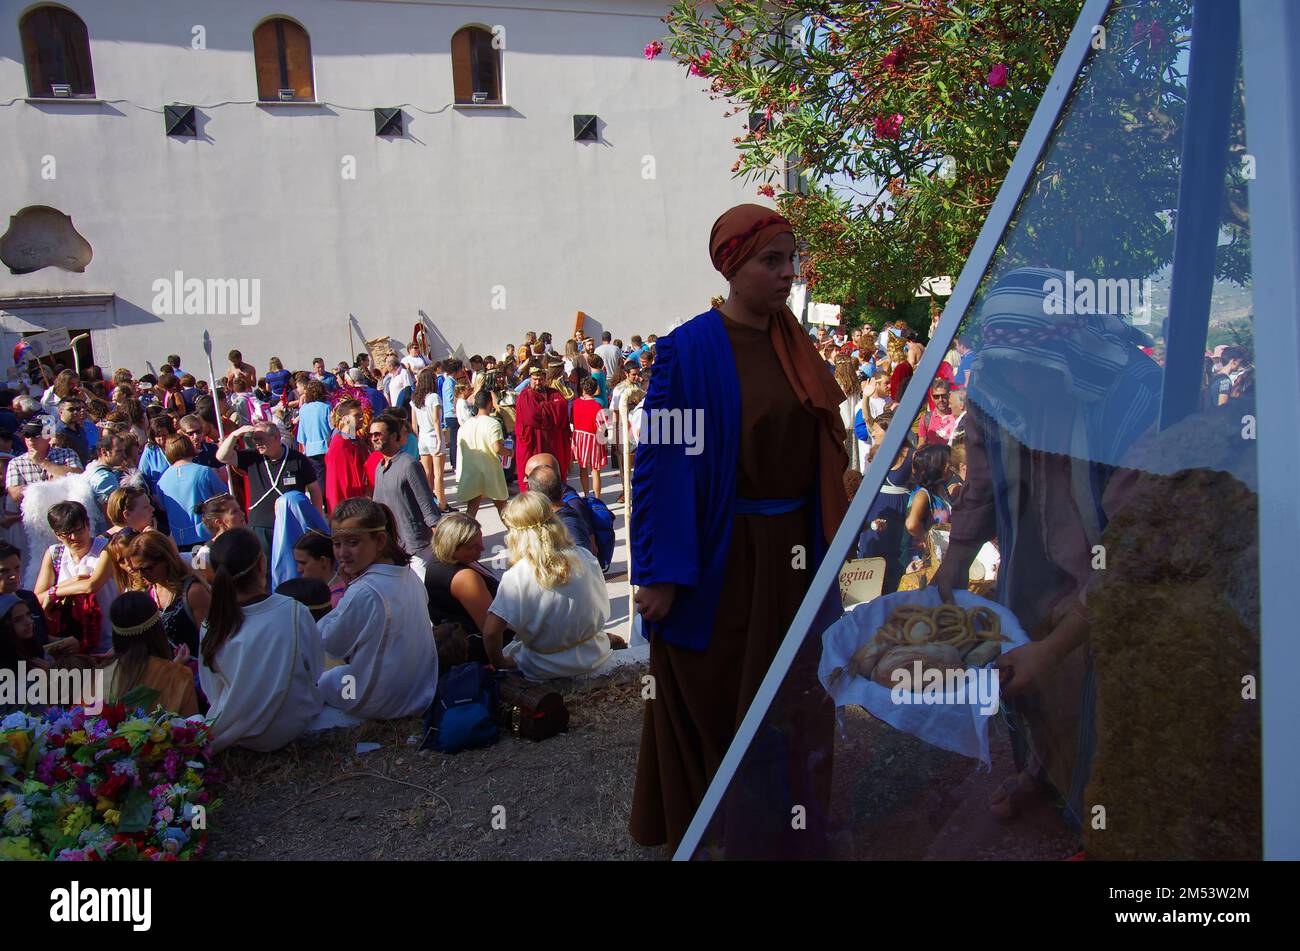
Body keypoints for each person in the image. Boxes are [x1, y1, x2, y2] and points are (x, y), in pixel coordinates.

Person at [628, 203, 848, 855]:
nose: (787, 274)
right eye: (771, 261)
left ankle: (793, 832)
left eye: (791, 259)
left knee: (800, 696)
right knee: (725, 699)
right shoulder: (688, 351)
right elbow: (662, 465)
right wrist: (663, 572)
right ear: (732, 266)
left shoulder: (794, 343)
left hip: (797, 555)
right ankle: (727, 833)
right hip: (726, 557)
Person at [199, 527, 325, 753]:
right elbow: (315, 670)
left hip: (237, 733)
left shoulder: (211, 624)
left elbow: (212, 691)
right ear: (262, 564)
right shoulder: (294, 611)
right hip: (292, 725)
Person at [317, 498, 438, 719]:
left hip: (377, 701)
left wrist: (345, 591)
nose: (343, 554)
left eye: (353, 543)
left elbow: (332, 645)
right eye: (337, 544)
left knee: (322, 676)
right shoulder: (408, 574)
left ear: (380, 540)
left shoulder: (365, 590)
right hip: (420, 692)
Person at [479, 491, 613, 680]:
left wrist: (501, 662)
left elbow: (491, 632)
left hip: (543, 666)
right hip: (595, 653)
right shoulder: (583, 555)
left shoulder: (517, 576)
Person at [217, 420, 322, 554]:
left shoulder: (298, 459)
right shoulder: (253, 457)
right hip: (261, 525)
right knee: (265, 568)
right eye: (255, 439)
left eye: (260, 439)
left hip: (291, 523)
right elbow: (222, 456)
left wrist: (317, 520)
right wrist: (234, 435)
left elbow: (314, 489)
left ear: (276, 437)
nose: (257, 443)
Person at [33, 501, 119, 654]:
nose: (73, 537)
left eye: (78, 530)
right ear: (57, 535)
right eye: (65, 534)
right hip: (70, 642)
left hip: (110, 640)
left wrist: (54, 592)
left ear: (87, 524)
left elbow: (91, 585)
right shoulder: (55, 554)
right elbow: (37, 600)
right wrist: (68, 584)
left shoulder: (107, 548)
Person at [424, 514, 506, 665]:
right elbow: (491, 629)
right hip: (481, 653)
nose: (482, 548)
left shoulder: (439, 559)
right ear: (452, 547)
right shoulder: (465, 578)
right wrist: (502, 661)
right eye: (473, 546)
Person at [100, 592, 198, 716]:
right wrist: (174, 670)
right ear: (157, 628)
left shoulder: (99, 675)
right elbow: (191, 730)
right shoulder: (181, 675)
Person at [369, 412, 441, 575]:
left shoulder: (409, 464)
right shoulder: (380, 468)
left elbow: (427, 506)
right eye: (371, 434)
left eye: (378, 434)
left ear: (394, 436)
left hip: (417, 548)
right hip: (394, 547)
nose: (373, 438)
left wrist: (442, 543)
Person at [128, 531, 209, 657]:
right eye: (136, 570)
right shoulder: (144, 593)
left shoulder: (193, 593)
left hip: (194, 673)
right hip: (162, 673)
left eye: (147, 568)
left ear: (166, 560)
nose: (141, 575)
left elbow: (211, 642)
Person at [156, 436, 227, 552]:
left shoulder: (162, 479)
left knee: (193, 569)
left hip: (179, 541)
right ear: (189, 447)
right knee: (204, 568)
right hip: (207, 536)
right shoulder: (204, 471)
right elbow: (223, 496)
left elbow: (162, 506)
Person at [514, 364, 570, 493]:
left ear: (544, 379)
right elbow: (533, 415)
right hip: (533, 443)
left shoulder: (554, 393)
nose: (537, 382)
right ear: (530, 379)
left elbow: (561, 408)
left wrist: (543, 407)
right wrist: (550, 408)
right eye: (535, 379)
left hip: (551, 443)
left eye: (540, 379)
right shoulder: (524, 396)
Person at [455, 389, 509, 519]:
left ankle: (466, 535)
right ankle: (515, 535)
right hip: (490, 471)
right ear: (490, 403)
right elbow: (497, 448)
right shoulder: (493, 423)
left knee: (472, 507)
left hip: (471, 471)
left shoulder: (466, 425)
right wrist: (510, 452)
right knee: (502, 507)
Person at [7, 418, 82, 507]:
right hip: (34, 515)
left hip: (64, 511)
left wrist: (42, 462)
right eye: (27, 435)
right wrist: (49, 486)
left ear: (48, 437)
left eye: (35, 435)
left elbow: (78, 476)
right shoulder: (16, 463)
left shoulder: (67, 453)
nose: (30, 439)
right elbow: (14, 495)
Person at [526, 462, 596, 557]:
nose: (524, 480)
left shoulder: (568, 523)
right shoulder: (551, 517)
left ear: (537, 496)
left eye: (527, 476)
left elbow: (581, 561)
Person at [410, 368, 449, 511]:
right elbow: (437, 420)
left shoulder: (414, 398)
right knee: (438, 473)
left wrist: (418, 438)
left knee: (427, 473)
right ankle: (442, 503)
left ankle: (428, 503)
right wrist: (440, 440)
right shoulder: (433, 397)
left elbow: (414, 424)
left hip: (423, 438)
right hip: (433, 435)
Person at [324, 398, 371, 513]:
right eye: (356, 415)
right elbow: (336, 484)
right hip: (348, 507)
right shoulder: (339, 446)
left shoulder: (358, 442)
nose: (361, 418)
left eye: (361, 415)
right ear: (345, 419)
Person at [0, 539, 49, 649]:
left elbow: (43, 637)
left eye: (17, 568)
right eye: (4, 571)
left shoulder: (29, 597)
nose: (14, 576)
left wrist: (63, 643)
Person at [295, 379, 332, 492]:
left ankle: (322, 502)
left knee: (318, 477)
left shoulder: (303, 409)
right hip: (326, 447)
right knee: (329, 477)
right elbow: (332, 427)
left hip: (311, 449)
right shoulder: (326, 407)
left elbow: (301, 434)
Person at [918, 379, 959, 446]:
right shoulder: (925, 419)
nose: (940, 399)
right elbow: (921, 446)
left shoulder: (957, 416)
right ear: (932, 397)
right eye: (936, 396)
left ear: (949, 395)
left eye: (944, 396)